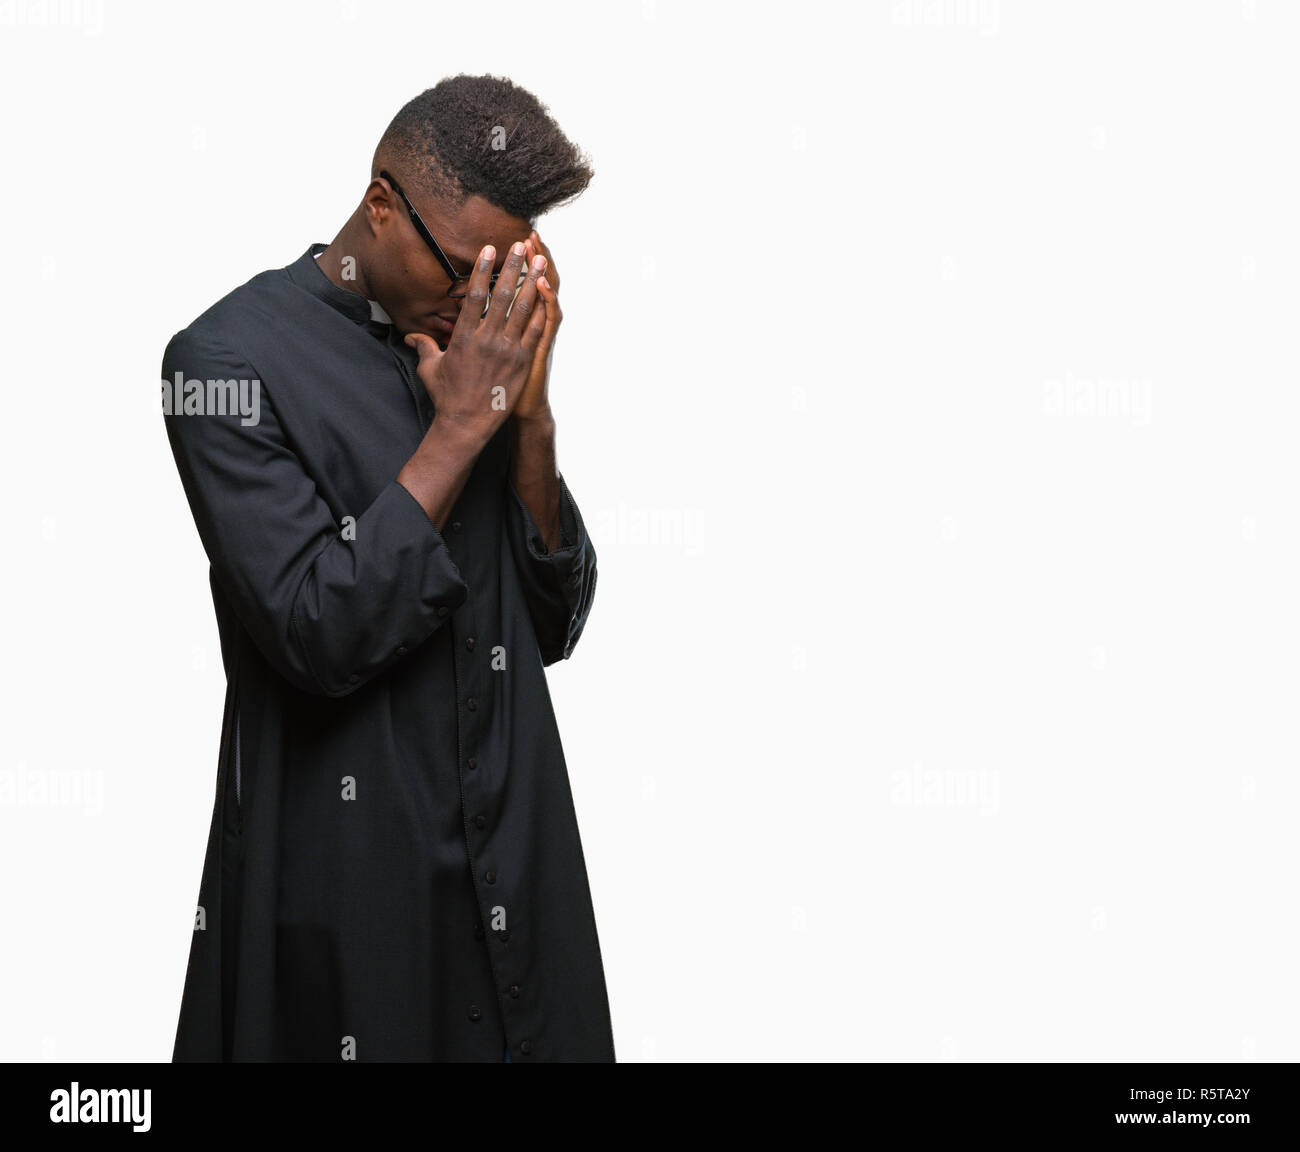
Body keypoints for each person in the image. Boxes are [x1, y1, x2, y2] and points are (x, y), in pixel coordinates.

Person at [160, 74, 614, 1062]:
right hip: (352, 890)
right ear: (381, 207)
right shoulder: (219, 369)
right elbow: (315, 630)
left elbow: (553, 623)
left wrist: (528, 420)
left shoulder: (484, 353)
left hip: (520, 866)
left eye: (502, 271)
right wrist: (459, 428)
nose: (479, 301)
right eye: (459, 269)